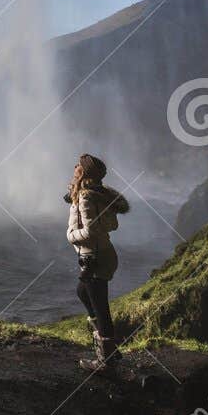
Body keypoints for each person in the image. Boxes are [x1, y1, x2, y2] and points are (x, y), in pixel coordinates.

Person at [65, 153, 130, 372]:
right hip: (102, 254)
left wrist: (71, 235)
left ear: (83, 172)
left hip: (95, 256)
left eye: (78, 165)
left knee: (101, 307)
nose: (74, 167)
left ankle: (105, 361)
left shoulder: (86, 196)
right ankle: (108, 348)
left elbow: (91, 230)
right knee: (83, 292)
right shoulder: (98, 194)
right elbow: (111, 225)